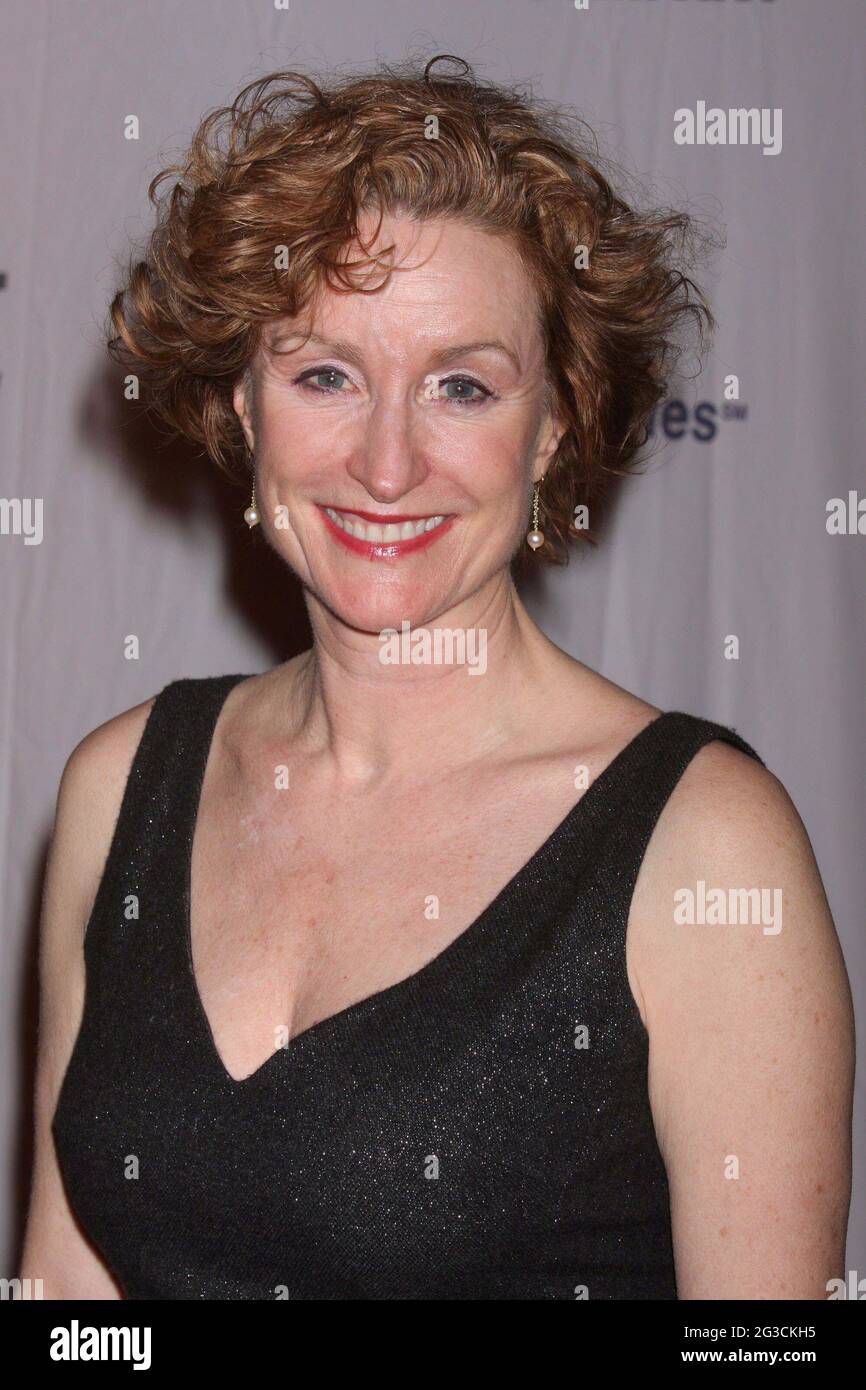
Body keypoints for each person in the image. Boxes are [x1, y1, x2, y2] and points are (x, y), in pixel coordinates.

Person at [20, 56, 853, 1300]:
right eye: (324, 375)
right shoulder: (120, 787)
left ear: (554, 424)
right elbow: (72, 1306)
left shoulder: (704, 846)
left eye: (461, 384)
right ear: (245, 407)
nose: (387, 460)